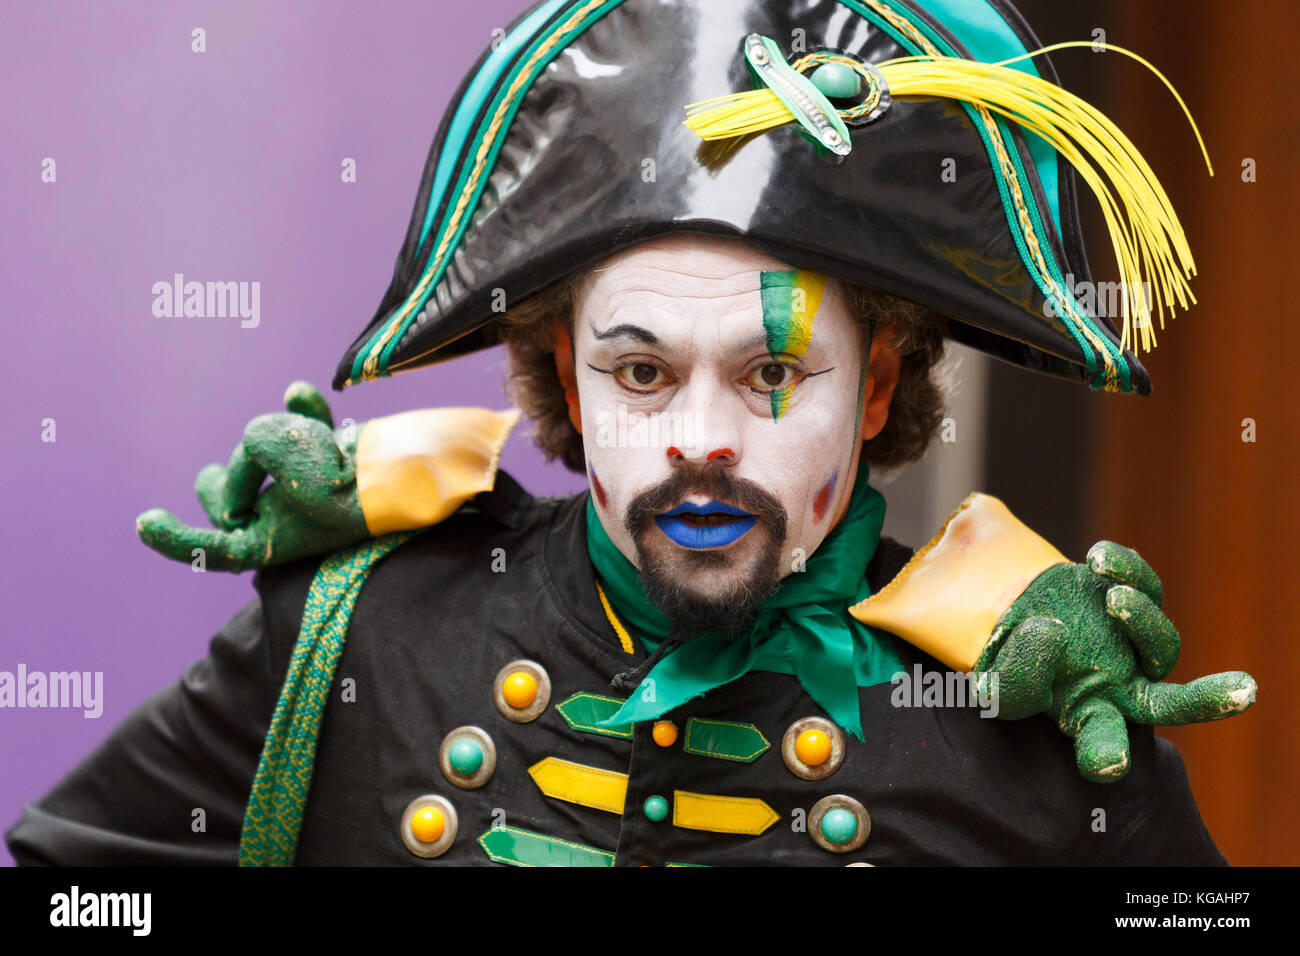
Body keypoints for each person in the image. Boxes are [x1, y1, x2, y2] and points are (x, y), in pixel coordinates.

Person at [7, 0, 1255, 866]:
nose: (698, 442)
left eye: (771, 373)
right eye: (642, 371)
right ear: (565, 369)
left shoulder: (1031, 724)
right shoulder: (352, 631)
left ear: (876, 389)